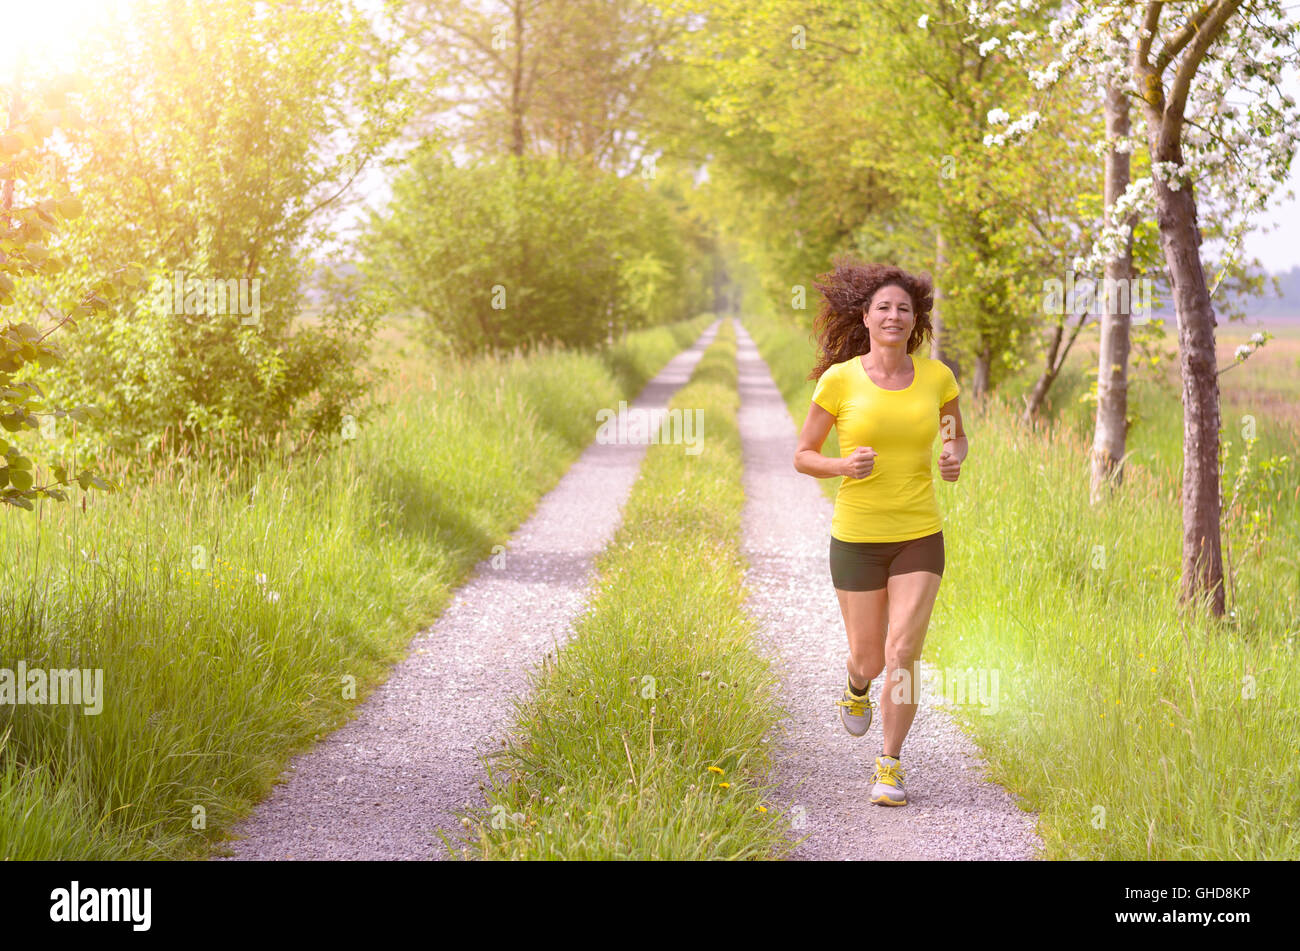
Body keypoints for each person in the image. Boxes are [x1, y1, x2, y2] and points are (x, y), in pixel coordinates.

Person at [792, 260, 968, 806]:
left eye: (904, 309)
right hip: (857, 537)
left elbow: (957, 437)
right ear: (865, 317)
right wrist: (843, 467)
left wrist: (952, 455)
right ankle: (856, 685)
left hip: (919, 533)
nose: (894, 316)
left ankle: (889, 765)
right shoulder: (839, 380)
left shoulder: (936, 378)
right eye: (884, 307)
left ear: (915, 322)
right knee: (869, 658)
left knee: (903, 650)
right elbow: (802, 456)